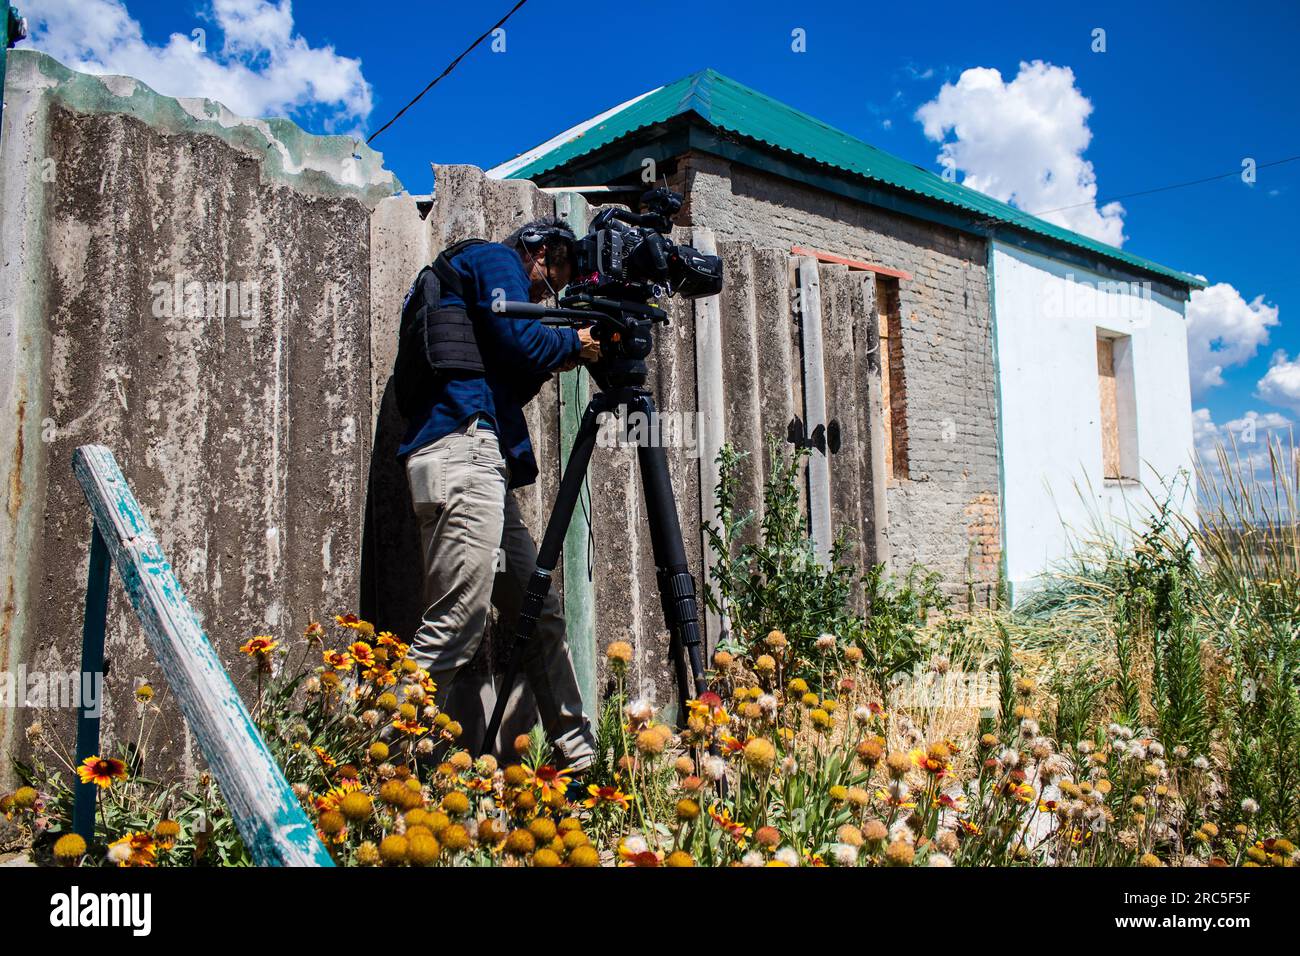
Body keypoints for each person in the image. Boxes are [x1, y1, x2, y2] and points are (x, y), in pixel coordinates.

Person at [397, 217, 601, 770]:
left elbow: (515, 361)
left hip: (480, 459)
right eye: (551, 279)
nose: (545, 295)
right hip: (461, 450)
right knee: (457, 622)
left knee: (539, 611)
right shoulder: (494, 259)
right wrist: (579, 342)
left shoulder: (477, 298)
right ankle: (376, 768)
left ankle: (579, 758)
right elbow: (518, 336)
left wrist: (566, 347)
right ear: (538, 249)